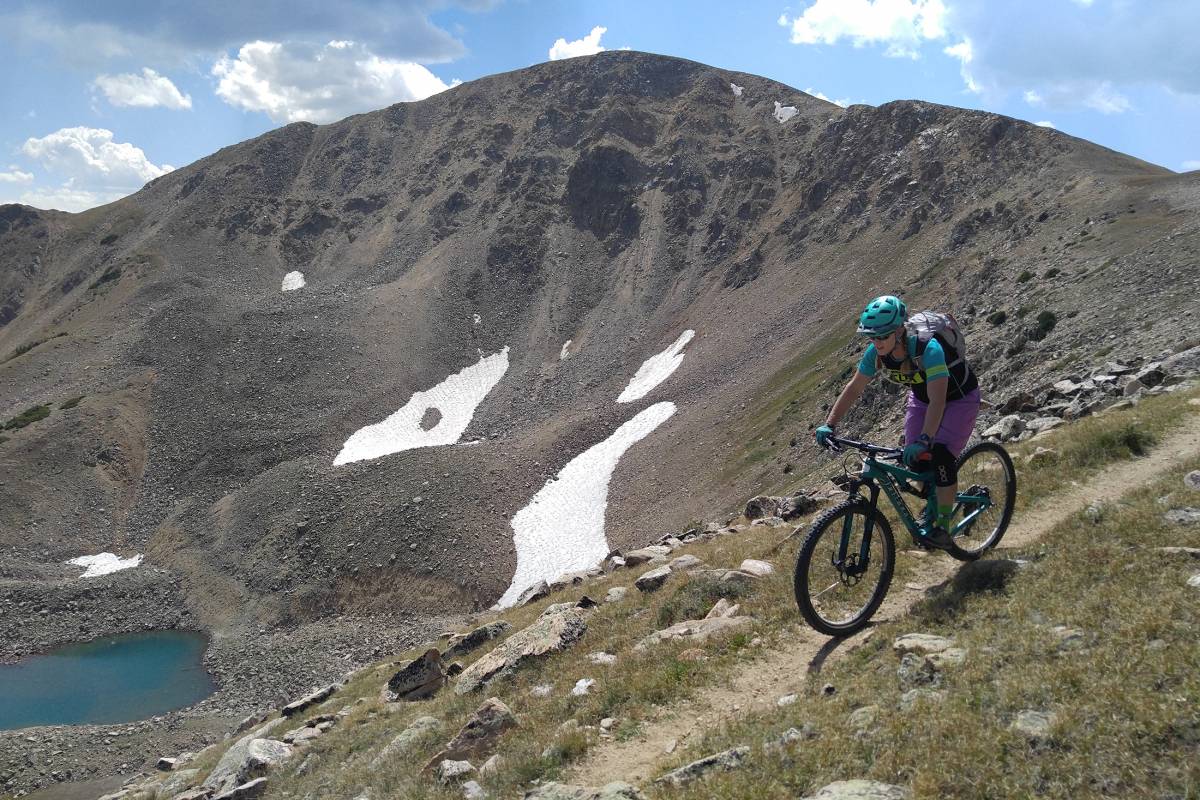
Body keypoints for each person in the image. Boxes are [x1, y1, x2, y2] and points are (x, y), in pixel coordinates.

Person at [814, 295, 981, 550]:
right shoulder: (876, 353)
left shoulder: (929, 349)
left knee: (940, 456)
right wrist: (830, 424)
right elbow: (855, 387)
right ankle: (934, 502)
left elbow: (939, 401)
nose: (876, 342)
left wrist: (926, 439)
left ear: (899, 330)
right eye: (871, 336)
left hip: (958, 399)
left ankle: (943, 527)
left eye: (882, 336)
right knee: (912, 460)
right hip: (922, 399)